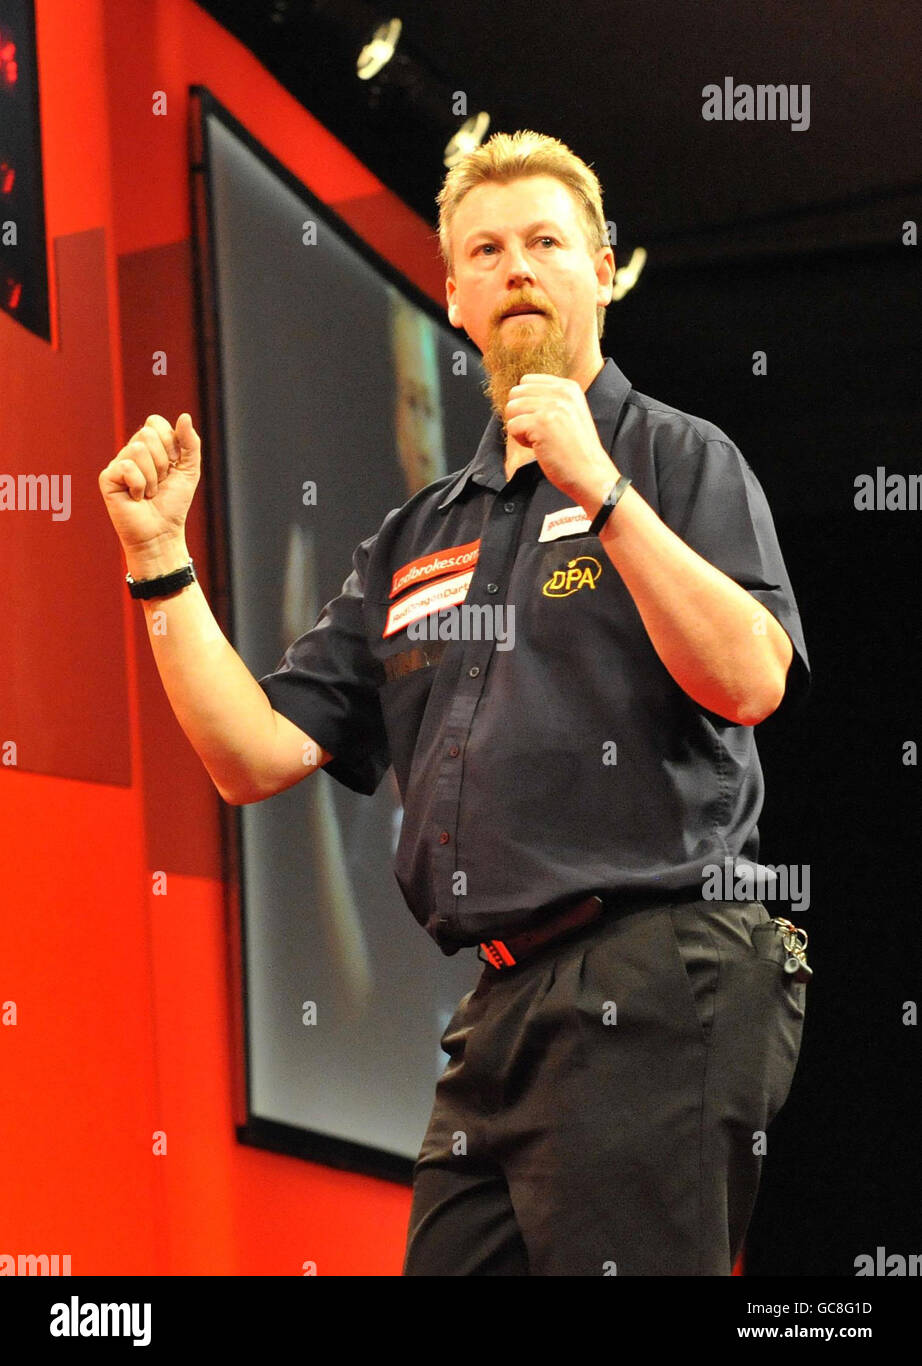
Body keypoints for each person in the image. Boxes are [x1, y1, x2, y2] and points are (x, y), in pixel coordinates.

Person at [98, 130, 811, 1276]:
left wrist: (603, 490)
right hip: (499, 1005)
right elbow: (253, 755)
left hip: (657, 969)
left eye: (544, 241)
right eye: (485, 249)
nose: (515, 265)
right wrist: (157, 566)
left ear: (601, 269)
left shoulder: (682, 459)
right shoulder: (418, 532)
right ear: (455, 298)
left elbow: (751, 678)